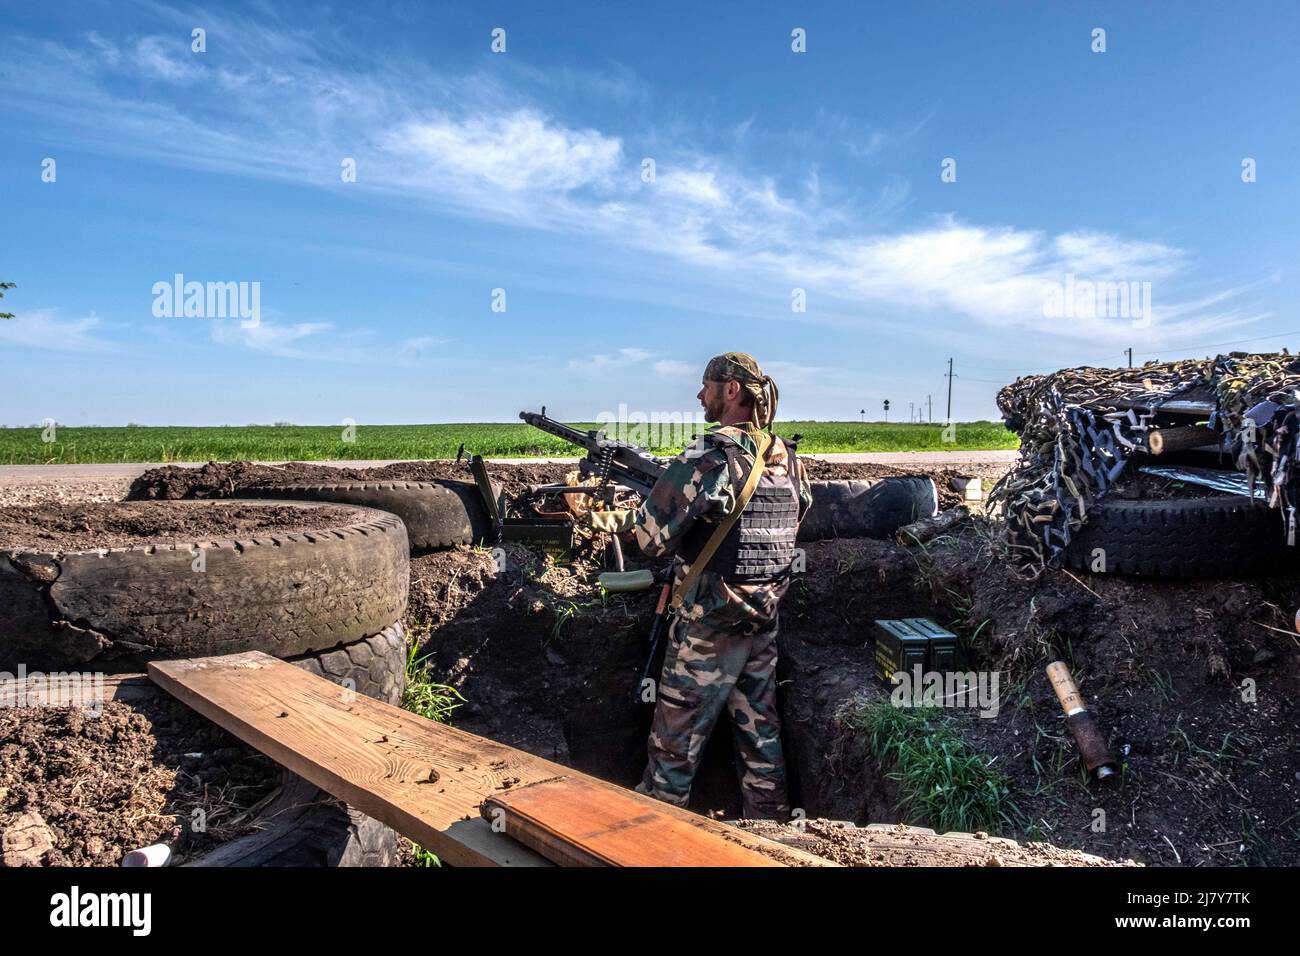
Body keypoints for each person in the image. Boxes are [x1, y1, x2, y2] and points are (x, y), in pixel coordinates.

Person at [590, 352, 812, 818]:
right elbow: (794, 521)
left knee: (675, 741)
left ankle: (656, 830)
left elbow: (651, 540)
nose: (699, 395)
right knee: (760, 736)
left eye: (706, 386)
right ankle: (772, 834)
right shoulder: (787, 457)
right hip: (763, 618)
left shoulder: (707, 454)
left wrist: (630, 515)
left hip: (709, 626)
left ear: (731, 390)